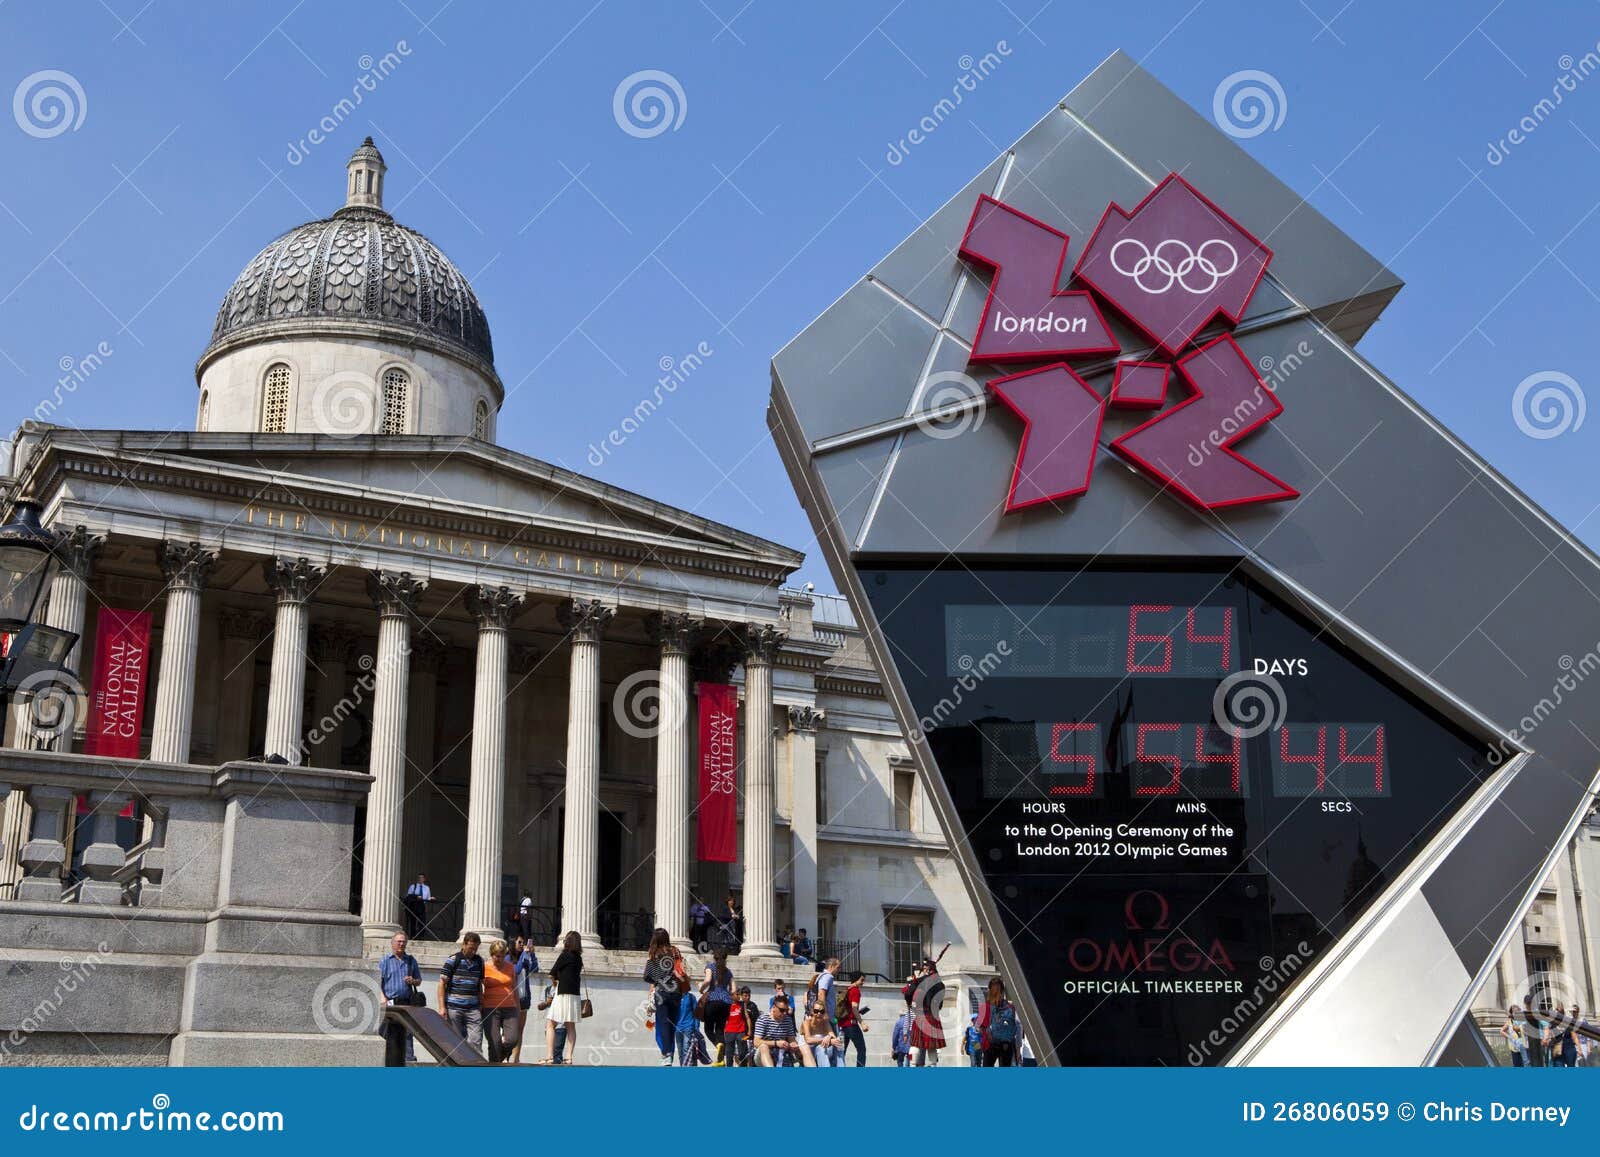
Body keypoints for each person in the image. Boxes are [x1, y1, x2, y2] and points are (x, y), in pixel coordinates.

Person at [643, 927, 686, 1064]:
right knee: (672, 1024)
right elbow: (681, 970)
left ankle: (666, 1054)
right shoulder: (675, 951)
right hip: (676, 992)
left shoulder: (653, 954)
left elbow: (646, 975)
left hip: (661, 992)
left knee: (662, 1024)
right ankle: (669, 1054)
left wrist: (656, 981)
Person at [378, 931, 421, 1067]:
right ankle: (383, 1061)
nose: (401, 944)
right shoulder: (385, 961)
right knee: (385, 1032)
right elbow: (378, 981)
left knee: (408, 1033)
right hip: (389, 1003)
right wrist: (382, 998)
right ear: (392, 944)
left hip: (406, 1003)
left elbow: (419, 981)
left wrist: (412, 980)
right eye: (399, 941)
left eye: (403, 941)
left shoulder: (411, 960)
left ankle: (408, 1061)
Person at [438, 932, 485, 1053]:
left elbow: (479, 984)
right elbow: (442, 984)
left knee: (476, 1039)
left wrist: (480, 1004)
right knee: (456, 1041)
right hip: (454, 1008)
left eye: (475, 949)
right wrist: (442, 1007)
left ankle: (474, 1067)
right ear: (464, 944)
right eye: (471, 948)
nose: (473, 951)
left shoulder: (479, 962)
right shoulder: (453, 960)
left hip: (473, 1008)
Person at [481, 939, 522, 1064]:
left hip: (510, 1007)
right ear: (491, 954)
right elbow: (478, 986)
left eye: (502, 956)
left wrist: (518, 1007)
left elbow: (514, 987)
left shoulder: (510, 967)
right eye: (496, 956)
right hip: (490, 1007)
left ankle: (496, 1059)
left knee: (513, 1039)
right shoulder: (484, 967)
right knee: (494, 1041)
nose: (499, 959)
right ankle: (494, 1066)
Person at [546, 931, 583, 1064]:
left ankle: (550, 1056)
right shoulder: (579, 958)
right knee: (571, 1026)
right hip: (575, 995)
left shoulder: (565, 955)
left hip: (562, 993)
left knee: (551, 1024)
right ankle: (569, 1057)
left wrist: (555, 982)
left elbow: (552, 973)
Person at [904, 957, 947, 1066]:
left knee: (915, 1045)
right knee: (932, 1046)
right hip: (933, 1016)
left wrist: (910, 1004)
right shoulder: (941, 984)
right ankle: (933, 1066)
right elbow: (940, 1004)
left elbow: (908, 993)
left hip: (920, 1015)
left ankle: (912, 1065)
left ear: (927, 969)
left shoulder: (919, 980)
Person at [976, 977, 1020, 1066]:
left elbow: (978, 1028)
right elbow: (1017, 1027)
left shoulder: (984, 1007)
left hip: (990, 1044)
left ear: (989, 990)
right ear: (1003, 990)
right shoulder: (1010, 1007)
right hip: (1007, 1045)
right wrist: (1018, 1048)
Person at [700, 948, 734, 1060]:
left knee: (708, 1030)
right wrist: (726, 993)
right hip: (726, 1002)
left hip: (712, 1000)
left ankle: (718, 1046)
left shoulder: (710, 966)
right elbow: (734, 990)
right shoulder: (728, 971)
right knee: (720, 1029)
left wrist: (701, 989)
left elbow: (708, 980)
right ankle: (721, 1057)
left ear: (714, 957)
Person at [754, 995, 808, 1067]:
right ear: (773, 1008)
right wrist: (776, 1043)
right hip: (763, 1053)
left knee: (805, 1048)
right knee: (764, 1046)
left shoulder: (788, 1020)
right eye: (782, 1010)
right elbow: (756, 1042)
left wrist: (793, 1045)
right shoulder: (763, 1019)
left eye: (786, 1010)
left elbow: (791, 1039)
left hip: (782, 1051)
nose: (785, 1013)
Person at [511, 937, 540, 1063]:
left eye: (523, 942)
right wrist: (524, 954)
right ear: (512, 943)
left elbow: (535, 969)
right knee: (509, 1030)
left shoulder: (525, 957)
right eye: (519, 942)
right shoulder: (507, 958)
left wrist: (532, 954)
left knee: (520, 1030)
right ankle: (505, 1057)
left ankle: (515, 1058)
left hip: (524, 998)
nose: (522, 945)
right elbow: (516, 971)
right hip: (511, 998)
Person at [837, 971, 868, 1066]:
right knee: (861, 1049)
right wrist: (862, 1023)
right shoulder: (855, 991)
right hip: (851, 1025)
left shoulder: (848, 989)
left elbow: (850, 1008)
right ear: (856, 979)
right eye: (861, 980)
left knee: (841, 1051)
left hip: (842, 1025)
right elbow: (854, 1008)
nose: (863, 982)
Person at [801, 996, 842, 1066]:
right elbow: (808, 1040)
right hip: (809, 1052)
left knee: (839, 1046)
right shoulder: (807, 1022)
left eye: (822, 1011)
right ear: (812, 1011)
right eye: (816, 1011)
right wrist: (824, 1039)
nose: (819, 1014)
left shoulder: (825, 1022)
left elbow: (832, 1036)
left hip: (824, 1050)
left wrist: (829, 1037)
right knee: (821, 1048)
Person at [724, 986, 757, 1067]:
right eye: (737, 994)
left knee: (743, 1053)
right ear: (731, 995)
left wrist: (749, 1030)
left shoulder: (742, 1004)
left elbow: (747, 1017)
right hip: (729, 1032)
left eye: (739, 994)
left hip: (741, 1032)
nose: (739, 996)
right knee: (729, 1054)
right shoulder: (726, 1005)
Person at [674, 987, 702, 1066]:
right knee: (680, 1051)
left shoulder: (691, 997)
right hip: (677, 1028)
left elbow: (696, 1013)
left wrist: (696, 1027)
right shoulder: (675, 997)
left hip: (688, 1027)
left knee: (686, 1049)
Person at [402, 874, 432, 938]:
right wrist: (416, 897)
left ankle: (420, 936)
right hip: (414, 906)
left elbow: (428, 897)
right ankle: (413, 936)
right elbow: (408, 896)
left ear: (424, 879)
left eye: (422, 878)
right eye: (419, 878)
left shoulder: (427, 888)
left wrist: (431, 898)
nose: (420, 879)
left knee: (422, 922)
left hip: (422, 906)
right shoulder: (413, 886)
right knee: (413, 922)